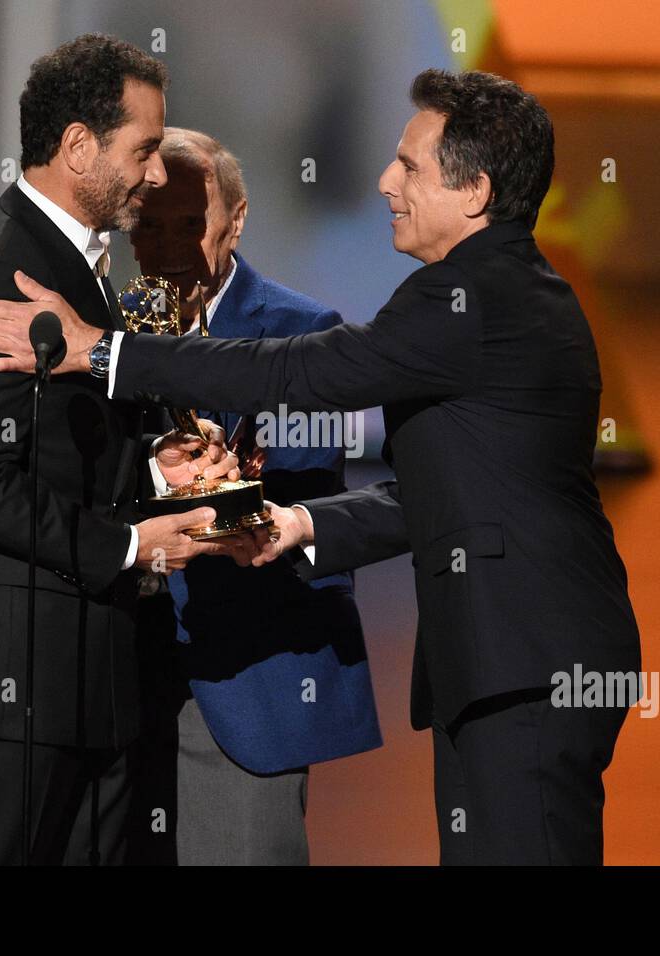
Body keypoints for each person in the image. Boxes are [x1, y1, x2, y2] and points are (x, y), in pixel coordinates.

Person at [0, 69, 641, 865]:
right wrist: (300, 523)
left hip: (528, 664)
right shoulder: (505, 289)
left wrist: (98, 351)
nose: (387, 182)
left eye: (409, 167)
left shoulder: (470, 299)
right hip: (519, 659)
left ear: (475, 190)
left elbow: (302, 374)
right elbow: (454, 496)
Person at [0, 34, 242, 866]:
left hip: (88, 677)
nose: (158, 173)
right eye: (146, 149)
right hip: (15, 683)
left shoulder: (74, 262)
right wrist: (132, 543)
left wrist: (157, 471)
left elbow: (60, 450)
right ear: (78, 146)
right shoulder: (2, 274)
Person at [123, 128, 383, 865]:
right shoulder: (112, 331)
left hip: (243, 675)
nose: (166, 247)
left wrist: (205, 494)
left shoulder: (302, 334)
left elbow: (301, 502)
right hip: (118, 681)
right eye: (147, 224)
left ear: (235, 221)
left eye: (188, 225)